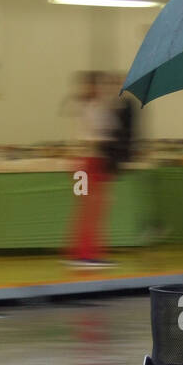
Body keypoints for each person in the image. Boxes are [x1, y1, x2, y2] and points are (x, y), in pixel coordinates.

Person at [64, 71, 117, 267]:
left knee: (88, 209)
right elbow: (100, 134)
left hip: (86, 161)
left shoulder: (86, 106)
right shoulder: (91, 108)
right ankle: (85, 254)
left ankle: (82, 252)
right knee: (90, 209)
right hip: (88, 161)